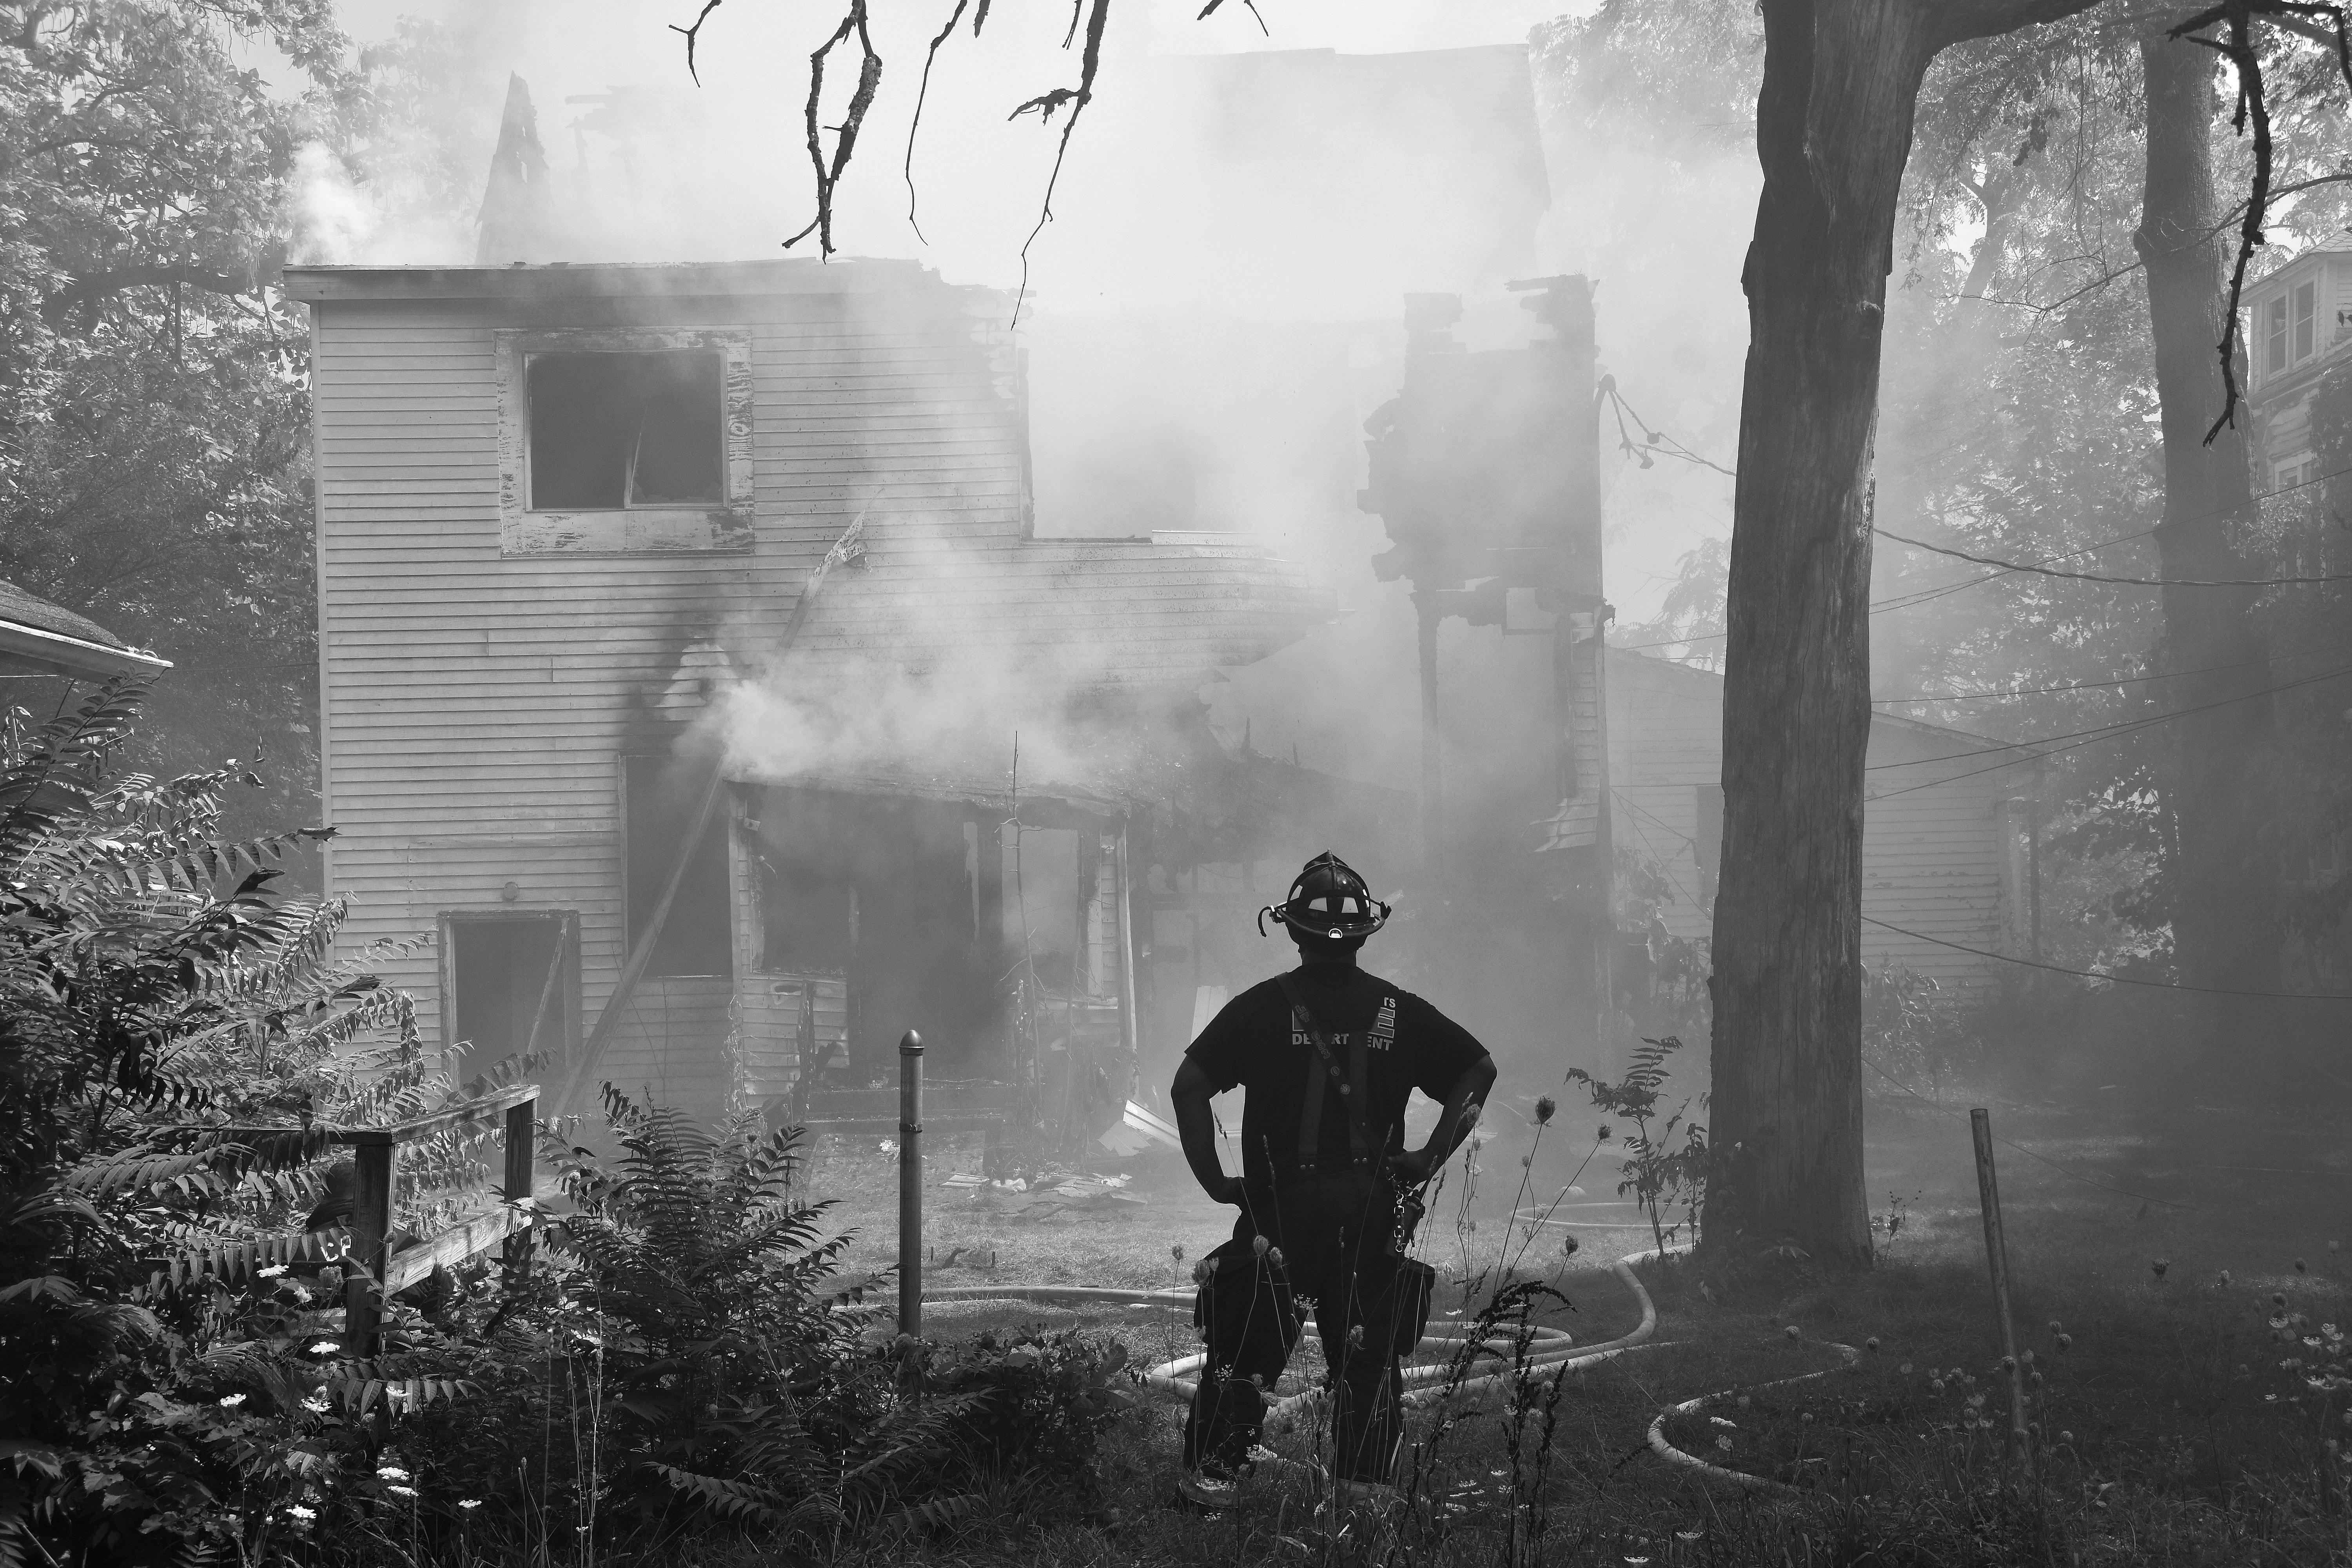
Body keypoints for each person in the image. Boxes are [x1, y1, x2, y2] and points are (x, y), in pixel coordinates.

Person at [1169, 851, 1495, 1509]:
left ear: (1293, 930)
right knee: (1369, 1359)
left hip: (1281, 1213)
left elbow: (1188, 1087)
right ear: (1367, 933)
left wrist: (1216, 1181)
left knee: (1247, 1351)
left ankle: (1215, 1485)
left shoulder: (1261, 1009)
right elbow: (1479, 1070)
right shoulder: (1399, 1012)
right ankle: (1363, 1494)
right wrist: (1429, 1158)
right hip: (1369, 1209)